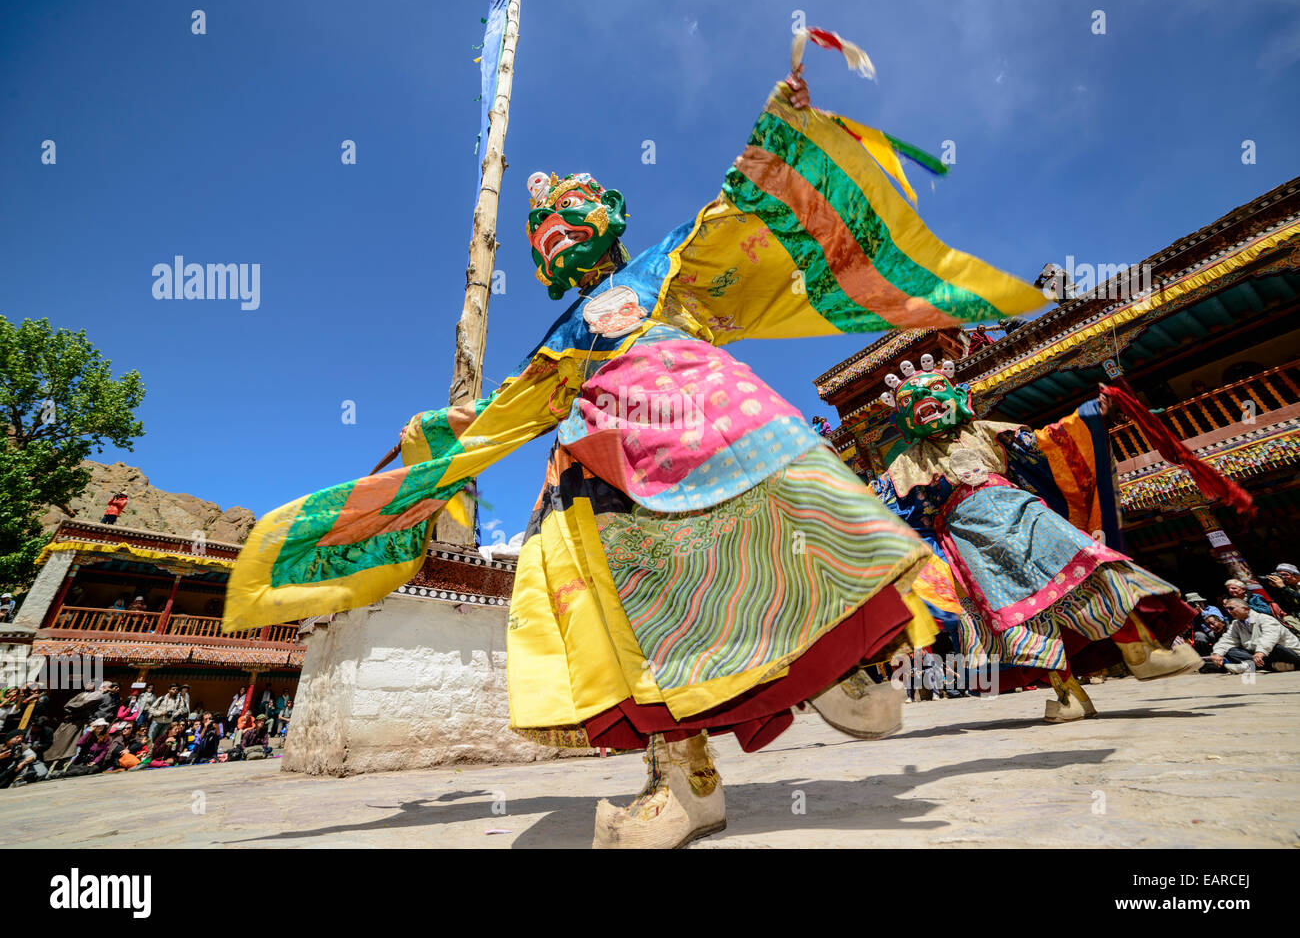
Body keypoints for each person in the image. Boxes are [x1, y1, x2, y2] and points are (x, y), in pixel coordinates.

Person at [222, 58, 1053, 848]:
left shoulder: (670, 262)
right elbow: (512, 409)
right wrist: (441, 437)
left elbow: (741, 210)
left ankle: (836, 658)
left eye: (569, 208)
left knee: (791, 508)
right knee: (639, 621)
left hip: (704, 418)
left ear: (611, 215)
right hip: (605, 469)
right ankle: (684, 776)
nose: (552, 225)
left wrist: (782, 131)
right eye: (539, 226)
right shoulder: (558, 340)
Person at [873, 375, 1203, 725]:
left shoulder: (988, 430)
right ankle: (1068, 695)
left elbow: (1047, 444)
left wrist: (1090, 415)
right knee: (1021, 616)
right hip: (970, 543)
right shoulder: (904, 465)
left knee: (1088, 566)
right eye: (909, 400)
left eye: (934, 391)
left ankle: (1142, 651)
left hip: (1026, 512)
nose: (923, 399)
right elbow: (879, 504)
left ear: (960, 397)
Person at [1208, 598, 1300, 673]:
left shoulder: (1264, 618)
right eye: (1227, 609)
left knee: (1275, 648)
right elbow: (1228, 640)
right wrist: (1217, 653)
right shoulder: (1236, 624)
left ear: (1245, 609)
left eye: (1231, 608)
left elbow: (1270, 637)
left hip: (1286, 653)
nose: (1229, 611)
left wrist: (1261, 651)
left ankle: (1251, 667)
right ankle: (1272, 666)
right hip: (1261, 656)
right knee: (1230, 651)